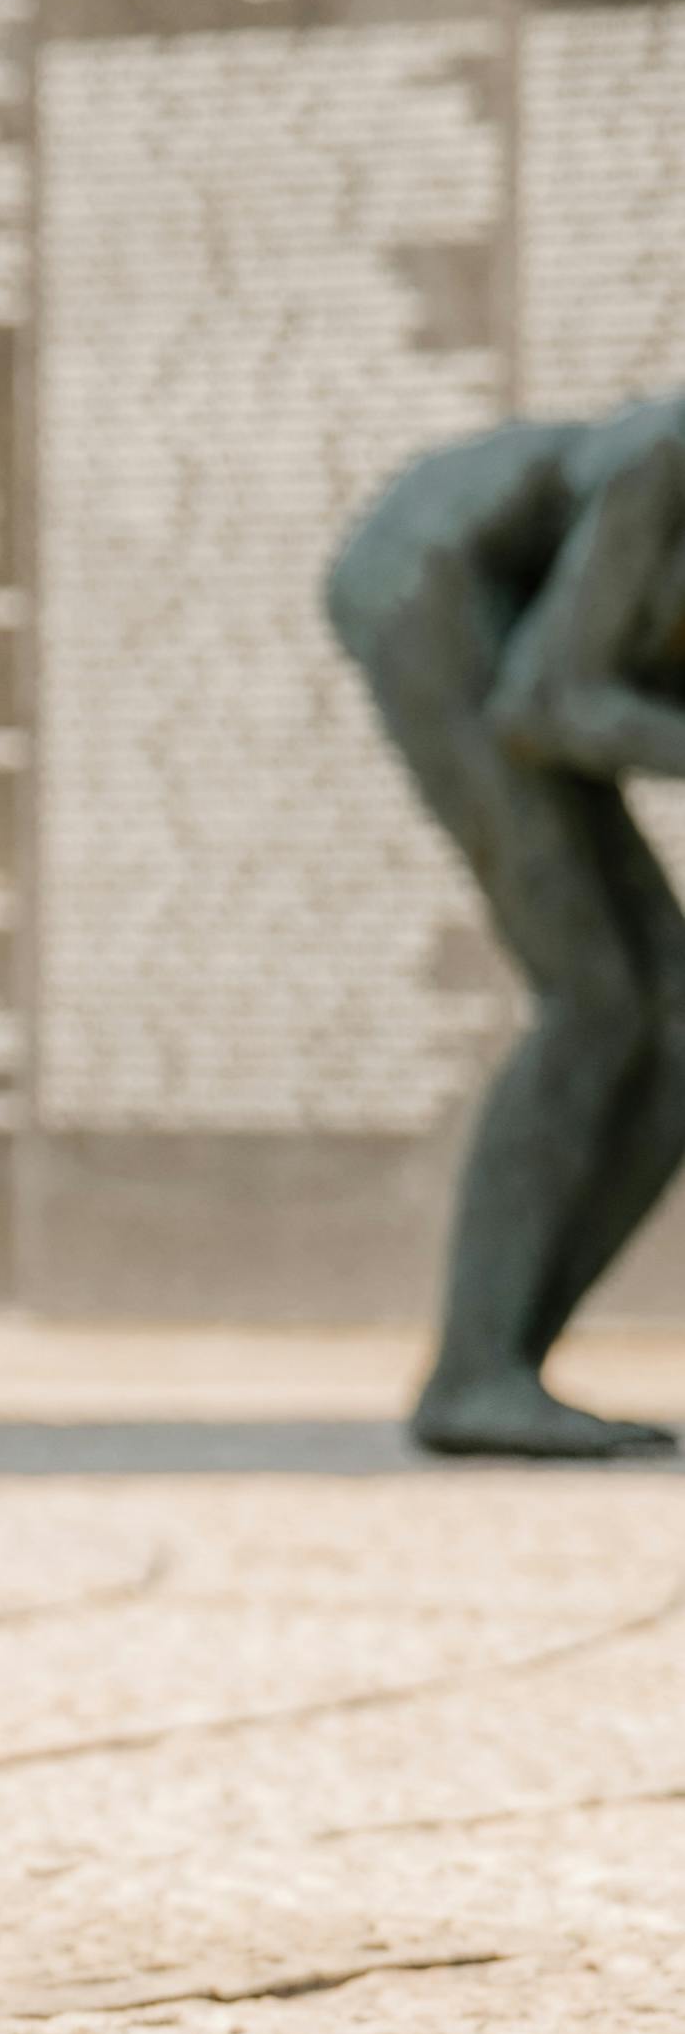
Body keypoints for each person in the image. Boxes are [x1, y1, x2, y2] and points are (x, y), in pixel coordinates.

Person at [328, 394, 685, 1458]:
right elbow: (550, 702)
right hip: (426, 588)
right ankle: (476, 1372)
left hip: (509, 641)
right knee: (593, 997)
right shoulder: (665, 457)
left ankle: (504, 1364)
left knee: (673, 1022)